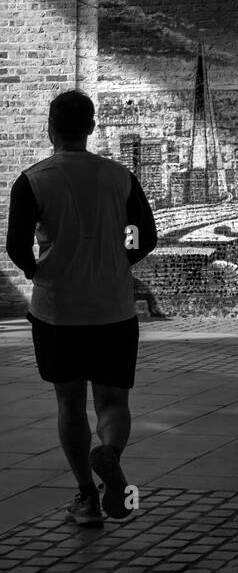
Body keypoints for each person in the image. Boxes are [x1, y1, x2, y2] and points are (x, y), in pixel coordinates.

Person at [4, 90, 157, 528]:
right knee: (112, 401)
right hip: (114, 310)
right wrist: (115, 263)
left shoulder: (33, 179)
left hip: (58, 312)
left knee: (69, 403)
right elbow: (145, 237)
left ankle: (87, 498)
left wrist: (39, 271)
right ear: (91, 128)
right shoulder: (119, 177)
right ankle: (108, 451)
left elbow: (16, 246)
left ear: (50, 127)